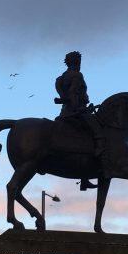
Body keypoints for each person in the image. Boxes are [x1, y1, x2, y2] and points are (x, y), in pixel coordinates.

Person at [54, 51, 105, 187]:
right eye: (79, 61)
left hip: (65, 112)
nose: (79, 64)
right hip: (76, 111)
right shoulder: (77, 75)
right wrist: (80, 108)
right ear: (76, 62)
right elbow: (73, 92)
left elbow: (64, 95)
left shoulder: (61, 78)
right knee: (96, 127)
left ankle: (84, 178)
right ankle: (100, 149)